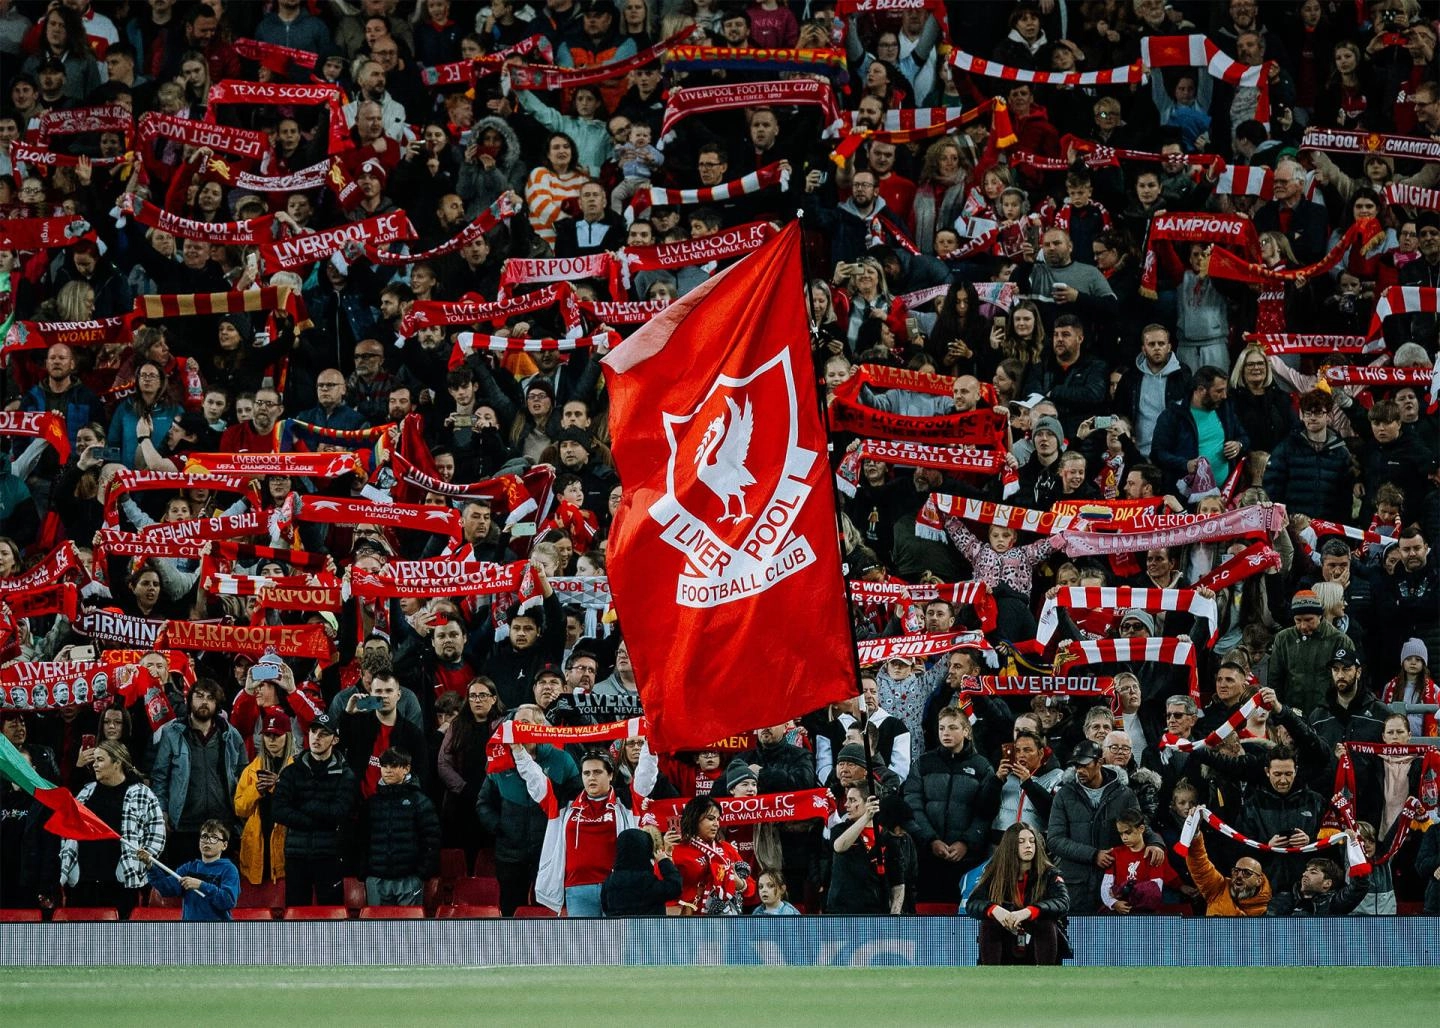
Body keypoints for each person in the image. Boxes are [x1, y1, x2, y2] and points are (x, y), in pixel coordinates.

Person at [58, 741, 165, 919]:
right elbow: (67, 831)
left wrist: (143, 860)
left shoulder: (142, 793)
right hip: (83, 882)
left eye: (100, 760)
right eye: (94, 760)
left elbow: (157, 833)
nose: (94, 764)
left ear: (117, 763)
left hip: (121, 883)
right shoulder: (86, 791)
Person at [533, 748, 644, 916]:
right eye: (586, 773)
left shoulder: (625, 802)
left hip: (617, 888)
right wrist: (519, 753)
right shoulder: (565, 804)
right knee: (584, 935)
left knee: (617, 934)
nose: (591, 777)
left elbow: (646, 775)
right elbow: (535, 780)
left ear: (610, 775)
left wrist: (650, 748)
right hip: (577, 889)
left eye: (597, 772)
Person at [271, 713, 359, 907]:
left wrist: (303, 805)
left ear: (335, 740)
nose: (316, 737)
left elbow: (340, 812)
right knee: (295, 915)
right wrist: (313, 819)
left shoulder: (345, 774)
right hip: (296, 856)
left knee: (332, 915)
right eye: (313, 731)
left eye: (323, 734)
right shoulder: (291, 771)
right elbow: (277, 810)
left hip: (329, 856)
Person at [965, 824, 1070, 965]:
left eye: (1032, 841)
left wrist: (1029, 911)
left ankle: (1046, 972)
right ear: (1010, 846)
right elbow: (973, 903)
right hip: (1006, 940)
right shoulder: (994, 873)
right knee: (989, 922)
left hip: (1037, 940)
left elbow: (1063, 901)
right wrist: (995, 910)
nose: (1028, 846)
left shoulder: (1049, 873)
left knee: (1045, 921)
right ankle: (990, 973)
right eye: (1021, 842)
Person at [363, 747, 440, 908]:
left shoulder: (420, 801)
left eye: (393, 765)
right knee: (375, 925)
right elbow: (360, 840)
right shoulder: (371, 803)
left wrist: (421, 873)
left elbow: (432, 839)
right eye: (384, 766)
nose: (388, 770)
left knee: (408, 925)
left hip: (409, 879)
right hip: (376, 879)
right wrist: (364, 872)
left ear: (406, 768)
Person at [232, 708, 294, 888]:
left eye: (277, 735)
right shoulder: (251, 769)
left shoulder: (296, 768)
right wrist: (256, 790)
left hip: (285, 845)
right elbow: (240, 809)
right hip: (257, 845)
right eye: (267, 735)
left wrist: (278, 785)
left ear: (288, 736)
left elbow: (301, 806)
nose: (272, 740)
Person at [138, 819, 239, 922]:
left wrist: (201, 885)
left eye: (214, 838)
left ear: (224, 845)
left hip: (217, 929)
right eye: (204, 836)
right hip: (190, 928)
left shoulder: (229, 869)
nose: (207, 841)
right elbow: (167, 888)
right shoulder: (188, 868)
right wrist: (150, 865)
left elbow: (228, 901)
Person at [670, 796, 754, 915]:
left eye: (718, 819)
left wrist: (737, 882)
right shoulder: (677, 850)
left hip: (725, 918)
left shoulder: (726, 848)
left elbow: (751, 889)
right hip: (691, 919)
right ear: (694, 819)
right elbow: (663, 889)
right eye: (710, 819)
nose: (716, 824)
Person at [1184, 826, 1272, 917]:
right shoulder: (1219, 888)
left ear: (1259, 881)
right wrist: (1195, 836)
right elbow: (1200, 865)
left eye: (1247, 873)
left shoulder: (1270, 910)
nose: (1239, 876)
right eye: (1236, 871)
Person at [600, 827, 682, 917]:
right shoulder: (646, 881)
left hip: (620, 925)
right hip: (649, 925)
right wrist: (664, 861)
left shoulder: (610, 881)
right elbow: (675, 887)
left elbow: (605, 906)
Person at [1267, 857, 1369, 916]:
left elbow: (1359, 887)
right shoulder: (1284, 899)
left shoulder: (1333, 903)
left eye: (1313, 872)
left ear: (1327, 883)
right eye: (1306, 871)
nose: (1304, 874)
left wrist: (1356, 854)